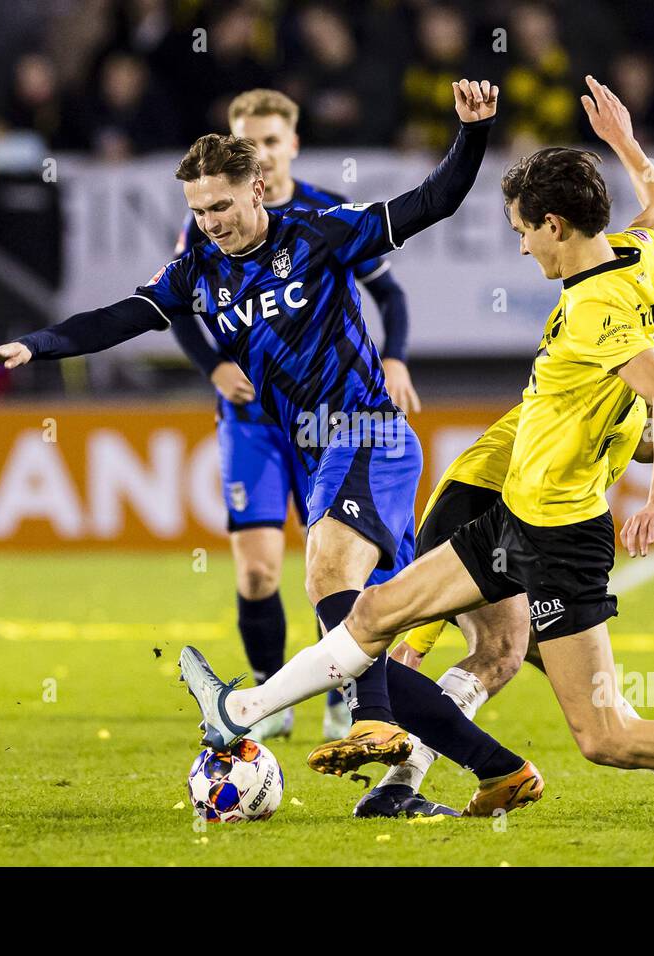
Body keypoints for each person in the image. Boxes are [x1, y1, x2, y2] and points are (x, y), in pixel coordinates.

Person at [181, 76, 654, 826]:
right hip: (513, 515)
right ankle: (242, 709)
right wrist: (623, 142)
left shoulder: (596, 309)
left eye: (522, 229)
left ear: (554, 225)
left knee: (606, 736)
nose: (520, 244)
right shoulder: (630, 255)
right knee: (375, 614)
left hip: (558, 540)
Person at [0, 80, 517, 787]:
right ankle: (495, 767)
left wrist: (473, 131)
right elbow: (118, 317)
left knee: (327, 575)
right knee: (363, 629)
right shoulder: (198, 269)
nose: (212, 223)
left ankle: (363, 719)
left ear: (259, 186)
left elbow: (431, 202)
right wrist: (32, 347)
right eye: (199, 212)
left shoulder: (319, 232)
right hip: (320, 449)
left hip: (365, 432)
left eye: (222, 206)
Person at [358, 365, 654, 817]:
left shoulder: (616, 429)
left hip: (498, 522)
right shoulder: (604, 406)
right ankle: (396, 784)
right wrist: (420, 638)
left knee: (559, 648)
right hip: (480, 506)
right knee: (501, 650)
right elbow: (467, 532)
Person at [169, 88, 418, 742]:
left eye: (272, 142)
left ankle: (341, 689)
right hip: (251, 418)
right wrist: (215, 368)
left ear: (292, 146)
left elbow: (387, 293)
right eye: (249, 141)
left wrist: (395, 360)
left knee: (329, 556)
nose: (264, 154)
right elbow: (173, 307)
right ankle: (273, 692)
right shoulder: (207, 220)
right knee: (256, 570)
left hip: (326, 419)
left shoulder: (320, 216)